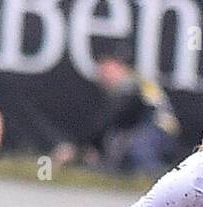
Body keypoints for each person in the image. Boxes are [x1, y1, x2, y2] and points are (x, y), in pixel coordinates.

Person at [53, 54, 181, 174]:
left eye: (107, 72)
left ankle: (155, 176)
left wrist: (77, 147)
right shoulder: (134, 84)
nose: (103, 78)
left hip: (159, 131)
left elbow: (110, 119)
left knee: (139, 150)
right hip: (153, 130)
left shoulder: (131, 86)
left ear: (120, 68)